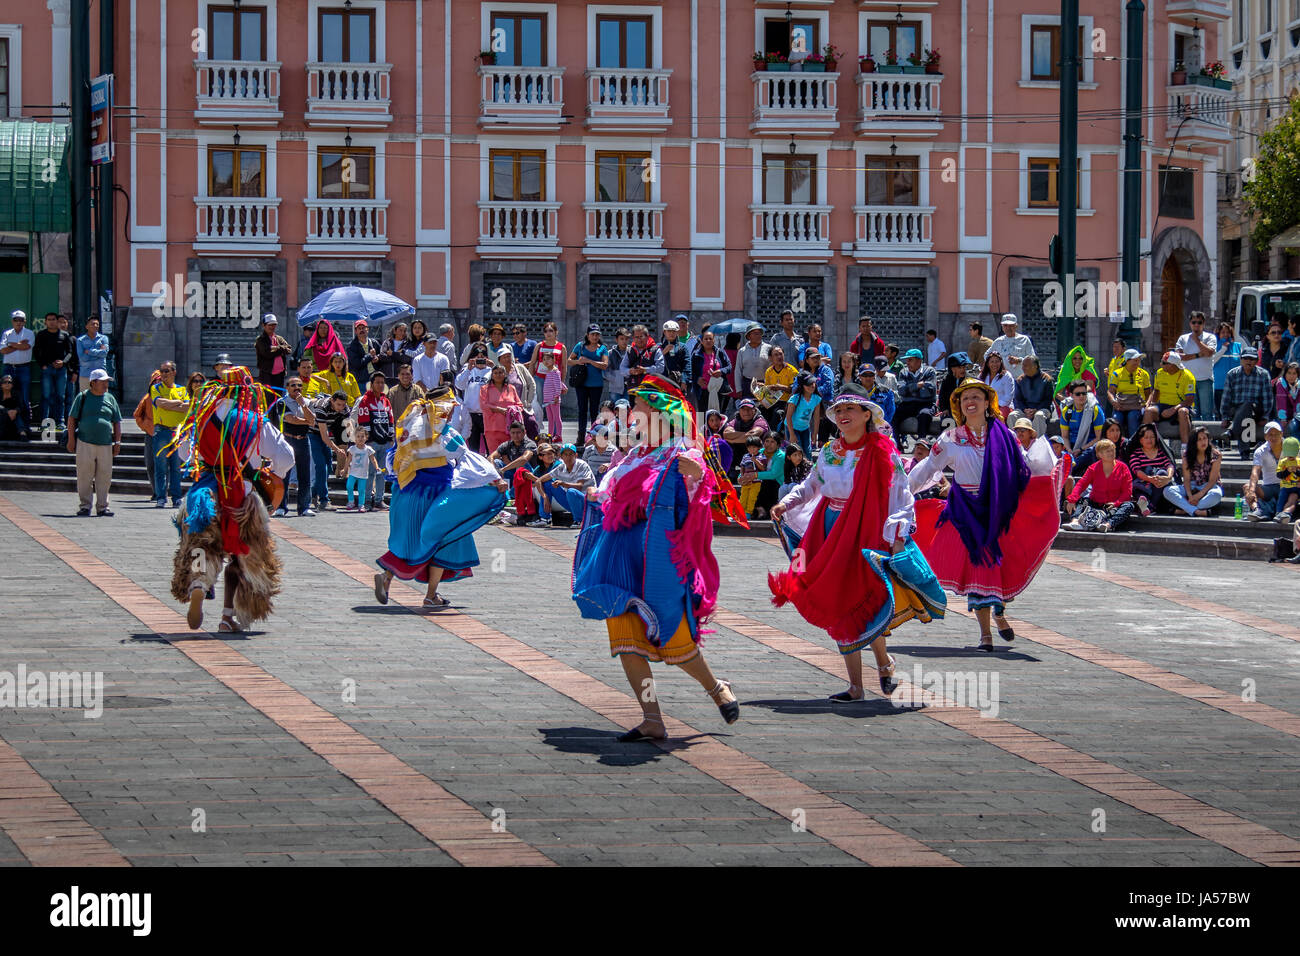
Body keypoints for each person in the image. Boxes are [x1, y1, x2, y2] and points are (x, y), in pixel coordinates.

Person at [571, 373, 740, 742]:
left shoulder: (684, 451)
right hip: (618, 558)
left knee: (674, 636)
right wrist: (591, 493)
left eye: (640, 407)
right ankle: (652, 719)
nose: (633, 413)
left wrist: (699, 477)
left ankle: (716, 688)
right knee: (626, 640)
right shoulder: (634, 454)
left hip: (658, 559)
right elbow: (608, 490)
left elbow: (701, 492)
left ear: (661, 413)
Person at [770, 386, 946, 699]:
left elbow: (900, 493)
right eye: (838, 410)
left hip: (865, 530)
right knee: (838, 602)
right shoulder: (828, 451)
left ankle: (883, 663)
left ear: (867, 414)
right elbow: (812, 484)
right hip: (828, 531)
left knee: (863, 600)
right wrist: (788, 503)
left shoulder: (881, 450)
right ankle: (856, 686)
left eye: (850, 409)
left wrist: (897, 532)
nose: (843, 415)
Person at [907, 378, 1061, 651]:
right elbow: (929, 469)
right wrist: (904, 493)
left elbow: (1024, 467)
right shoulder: (950, 439)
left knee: (998, 568)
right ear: (959, 405)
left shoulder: (1005, 435)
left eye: (976, 396)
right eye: (965, 398)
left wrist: (1045, 475)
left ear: (987, 402)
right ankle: (985, 633)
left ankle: (999, 615)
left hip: (999, 509)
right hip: (966, 511)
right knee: (981, 570)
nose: (971, 402)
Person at [168, 365, 294, 632]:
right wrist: (272, 473)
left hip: (206, 492)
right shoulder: (255, 420)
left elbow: (182, 451)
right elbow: (286, 457)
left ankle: (199, 585)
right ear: (246, 392)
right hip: (243, 497)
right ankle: (228, 616)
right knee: (243, 556)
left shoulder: (201, 417)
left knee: (202, 544)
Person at [373, 387, 509, 609]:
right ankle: (430, 595)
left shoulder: (409, 427)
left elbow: (393, 460)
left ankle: (387, 578)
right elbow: (465, 458)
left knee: (410, 543)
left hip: (405, 494)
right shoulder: (444, 432)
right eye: (450, 408)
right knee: (444, 538)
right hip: (435, 495)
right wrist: (494, 480)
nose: (450, 414)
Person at [66, 368, 121, 516]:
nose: (106, 385)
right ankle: (85, 506)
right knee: (85, 475)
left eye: (107, 382)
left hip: (106, 443)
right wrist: (71, 440)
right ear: (93, 383)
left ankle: (103, 507)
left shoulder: (110, 398)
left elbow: (116, 422)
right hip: (85, 442)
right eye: (103, 382)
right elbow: (72, 419)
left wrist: (118, 442)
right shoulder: (82, 397)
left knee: (104, 476)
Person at [1063, 439, 1135, 533]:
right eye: (1107, 451)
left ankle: (1107, 525)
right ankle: (1076, 522)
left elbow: (1127, 491)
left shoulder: (1123, 468)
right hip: (1095, 503)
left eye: (1113, 450)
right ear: (1099, 454)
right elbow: (1081, 484)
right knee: (1081, 500)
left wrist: (1116, 503)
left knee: (1129, 505)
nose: (1111, 453)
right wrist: (1072, 499)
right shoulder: (1093, 468)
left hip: (1113, 506)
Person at [1219, 348, 1273, 460]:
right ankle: (1244, 453)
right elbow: (1226, 397)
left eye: (1252, 359)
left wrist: (1265, 416)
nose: (1249, 361)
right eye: (1246, 358)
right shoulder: (1232, 374)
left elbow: (1268, 398)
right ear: (1241, 360)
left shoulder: (1263, 374)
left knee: (1248, 405)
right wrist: (1225, 417)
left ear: (1257, 360)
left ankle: (1232, 432)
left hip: (1256, 409)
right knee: (1246, 418)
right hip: (1237, 411)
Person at [150, 361, 190, 508]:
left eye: (167, 371)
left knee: (176, 467)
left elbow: (186, 407)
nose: (164, 374)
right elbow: (160, 404)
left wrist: (171, 404)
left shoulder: (182, 389)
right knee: (160, 466)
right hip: (162, 430)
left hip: (178, 432)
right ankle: (161, 497)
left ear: (174, 372)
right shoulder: (155, 388)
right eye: (162, 371)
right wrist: (177, 403)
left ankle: (176, 497)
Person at [353, 372, 395, 510]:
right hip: (371, 443)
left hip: (385, 442)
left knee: (381, 472)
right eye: (377, 382)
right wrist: (367, 440)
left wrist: (391, 437)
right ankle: (365, 501)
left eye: (382, 382)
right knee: (369, 472)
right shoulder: (365, 400)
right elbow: (363, 422)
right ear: (372, 384)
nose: (380, 385)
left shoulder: (386, 400)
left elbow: (390, 420)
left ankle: (379, 500)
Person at [278, 376, 317, 517]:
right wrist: (307, 421)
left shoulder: (306, 402)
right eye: (293, 385)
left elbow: (313, 421)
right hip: (287, 440)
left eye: (299, 385)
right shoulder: (282, 402)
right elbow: (291, 419)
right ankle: (281, 506)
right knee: (284, 475)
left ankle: (304, 507)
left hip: (303, 440)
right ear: (287, 387)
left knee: (304, 475)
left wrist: (303, 406)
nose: (297, 388)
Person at [1122, 422, 1178, 517]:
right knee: (1140, 493)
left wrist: (1168, 477)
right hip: (1143, 483)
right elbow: (1137, 470)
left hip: (1159, 484)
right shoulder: (1136, 454)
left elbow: (1169, 465)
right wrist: (1149, 478)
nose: (1149, 440)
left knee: (1162, 472)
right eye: (1146, 437)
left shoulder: (1161, 452)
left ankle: (1150, 506)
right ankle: (1144, 504)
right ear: (1141, 440)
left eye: (1152, 437)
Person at [306, 390, 350, 511]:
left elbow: (348, 430)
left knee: (328, 467)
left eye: (343, 405)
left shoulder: (345, 409)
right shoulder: (322, 407)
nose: (341, 408)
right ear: (332, 401)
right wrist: (337, 449)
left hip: (326, 434)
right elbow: (324, 436)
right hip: (313, 434)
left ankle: (312, 495)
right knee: (321, 466)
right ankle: (324, 500)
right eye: (338, 405)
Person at [1164, 426, 1223, 517]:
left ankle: (1185, 510)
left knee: (1217, 494)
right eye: (1199, 439)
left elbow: (1212, 480)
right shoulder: (1186, 455)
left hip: (1208, 487)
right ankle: (1196, 511)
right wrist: (1190, 496)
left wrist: (1198, 495)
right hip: (1191, 486)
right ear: (1194, 442)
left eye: (1205, 438)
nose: (1203, 442)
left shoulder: (1216, 455)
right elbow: (1186, 479)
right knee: (1167, 491)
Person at [1143, 351, 1195, 447]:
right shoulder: (1159, 373)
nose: (1160, 364)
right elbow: (1156, 391)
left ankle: (1185, 448)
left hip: (1181, 405)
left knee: (1183, 412)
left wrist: (1173, 409)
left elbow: (1189, 400)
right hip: (1163, 405)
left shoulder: (1187, 376)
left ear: (1172, 365)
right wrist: (1151, 403)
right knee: (1148, 411)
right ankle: (1149, 446)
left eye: (1163, 363)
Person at [537, 442, 596, 522]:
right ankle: (545, 519)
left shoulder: (582, 465)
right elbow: (539, 480)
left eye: (571, 454)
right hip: (571, 502)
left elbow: (579, 486)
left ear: (576, 455)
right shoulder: (561, 467)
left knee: (571, 492)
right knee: (548, 484)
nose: (568, 457)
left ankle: (579, 520)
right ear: (561, 456)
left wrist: (563, 484)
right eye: (565, 454)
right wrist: (545, 496)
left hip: (585, 502)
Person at [33, 312, 73, 430]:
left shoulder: (65, 335)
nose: (51, 321)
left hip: (61, 370)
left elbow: (70, 352)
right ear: (45, 322)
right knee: (46, 396)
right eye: (49, 319)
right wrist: (43, 365)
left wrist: (63, 362)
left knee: (60, 396)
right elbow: (36, 351)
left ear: (57, 321)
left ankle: (60, 422)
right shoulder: (41, 335)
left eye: (53, 319)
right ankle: (45, 423)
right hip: (47, 369)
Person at [1176, 310, 1218, 419]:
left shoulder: (1210, 337)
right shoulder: (1183, 338)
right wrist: (1199, 355)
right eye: (1194, 322)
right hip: (1188, 381)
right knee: (1193, 413)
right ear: (1190, 323)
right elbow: (1180, 357)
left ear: (1203, 324)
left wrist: (1196, 340)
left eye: (1199, 322)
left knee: (1207, 413)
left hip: (1205, 380)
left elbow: (1209, 353)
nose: (1196, 325)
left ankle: (1207, 436)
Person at [570, 324, 608, 439]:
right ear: (587, 335)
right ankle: (581, 437)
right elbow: (569, 361)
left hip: (596, 384)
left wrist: (590, 361)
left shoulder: (602, 348)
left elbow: (605, 365)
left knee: (594, 411)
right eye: (592, 334)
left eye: (597, 334)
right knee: (582, 410)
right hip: (581, 384)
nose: (595, 337)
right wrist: (579, 361)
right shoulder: (580, 346)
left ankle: (593, 436)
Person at [892, 348, 937, 443]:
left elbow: (928, 392)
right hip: (908, 404)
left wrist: (909, 389)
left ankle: (921, 443)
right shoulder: (903, 372)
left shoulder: (929, 371)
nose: (907, 363)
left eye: (910, 360)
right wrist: (917, 386)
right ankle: (897, 445)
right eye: (907, 360)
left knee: (924, 415)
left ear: (919, 360)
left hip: (926, 404)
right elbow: (901, 391)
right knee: (894, 416)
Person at [479, 361, 523, 457]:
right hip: (492, 429)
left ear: (505, 374)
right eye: (495, 373)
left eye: (500, 372)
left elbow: (520, 405)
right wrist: (499, 409)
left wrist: (513, 410)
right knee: (494, 456)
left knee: (509, 456)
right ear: (492, 375)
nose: (498, 375)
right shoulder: (485, 389)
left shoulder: (511, 388)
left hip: (510, 430)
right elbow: (484, 405)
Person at [1106, 349, 1151, 438]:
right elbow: (1110, 391)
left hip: (1136, 406)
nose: (1138, 362)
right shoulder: (1117, 373)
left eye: (1138, 360)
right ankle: (1115, 445)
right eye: (1135, 360)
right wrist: (1114, 402)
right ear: (1127, 361)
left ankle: (1133, 445)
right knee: (1116, 419)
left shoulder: (1144, 374)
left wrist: (1147, 404)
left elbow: (1149, 393)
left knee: (1132, 417)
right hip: (1120, 406)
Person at [1, 309, 35, 424]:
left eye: (21, 320)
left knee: (25, 396)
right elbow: (3, 350)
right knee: (6, 395)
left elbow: (27, 347)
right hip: (9, 368)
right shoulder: (7, 333)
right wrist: (19, 345)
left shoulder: (29, 333)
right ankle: (6, 421)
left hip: (24, 368)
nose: (18, 322)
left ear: (24, 321)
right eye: (16, 320)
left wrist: (11, 344)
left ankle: (25, 423)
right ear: (12, 321)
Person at [1060, 379, 1105, 466]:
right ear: (1071, 395)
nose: (1081, 396)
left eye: (1084, 393)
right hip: (1071, 447)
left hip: (1088, 448)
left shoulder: (1095, 410)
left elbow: (1098, 437)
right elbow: (1065, 436)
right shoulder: (1067, 411)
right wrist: (1069, 450)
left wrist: (1080, 449)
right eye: (1078, 394)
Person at [687, 328, 732, 414]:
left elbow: (729, 367)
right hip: (702, 391)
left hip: (718, 390)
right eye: (706, 339)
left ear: (714, 340)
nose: (708, 341)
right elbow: (690, 370)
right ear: (702, 341)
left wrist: (721, 371)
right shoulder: (696, 354)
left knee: (717, 415)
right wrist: (697, 379)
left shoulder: (721, 353)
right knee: (701, 417)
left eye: (710, 338)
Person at [756, 345, 797, 432]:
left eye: (780, 354)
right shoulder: (769, 371)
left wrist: (780, 387)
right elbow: (768, 389)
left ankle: (774, 436)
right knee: (760, 410)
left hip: (787, 402)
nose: (779, 357)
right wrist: (762, 387)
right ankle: (763, 432)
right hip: (773, 401)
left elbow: (795, 389)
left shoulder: (791, 370)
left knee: (777, 413)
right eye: (776, 355)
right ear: (770, 358)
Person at [1013, 355, 1056, 436]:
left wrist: (1036, 410)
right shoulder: (1020, 380)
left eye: (1026, 366)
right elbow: (1018, 400)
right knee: (1013, 415)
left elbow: (1048, 400)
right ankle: (1015, 442)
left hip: (1042, 409)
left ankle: (1037, 442)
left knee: (1039, 416)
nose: (1023, 368)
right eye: (1023, 365)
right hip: (1025, 409)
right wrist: (1025, 410)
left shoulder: (1047, 379)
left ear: (1035, 366)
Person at [534, 340, 567, 439]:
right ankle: (550, 435)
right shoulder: (548, 372)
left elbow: (557, 385)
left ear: (554, 360)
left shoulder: (555, 371)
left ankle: (559, 435)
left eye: (548, 359)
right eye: (544, 359)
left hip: (554, 399)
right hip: (547, 400)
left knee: (557, 418)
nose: (546, 361)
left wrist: (557, 396)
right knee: (550, 418)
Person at [785, 371, 822, 457]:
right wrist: (792, 434)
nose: (812, 386)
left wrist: (815, 434)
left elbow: (816, 418)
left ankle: (809, 469)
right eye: (808, 384)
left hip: (805, 428)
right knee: (798, 450)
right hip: (793, 428)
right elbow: (788, 417)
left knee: (808, 452)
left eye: (813, 383)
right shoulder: (795, 398)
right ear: (802, 386)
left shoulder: (816, 399)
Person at [619, 324, 664, 394]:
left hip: (651, 390)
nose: (639, 339)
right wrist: (630, 371)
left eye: (641, 336)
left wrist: (645, 370)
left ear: (647, 337)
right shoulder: (630, 350)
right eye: (636, 337)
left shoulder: (655, 350)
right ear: (633, 338)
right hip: (633, 389)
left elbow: (661, 368)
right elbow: (622, 368)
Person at [988, 314, 1036, 378]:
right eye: (1005, 325)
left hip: (1021, 379)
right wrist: (996, 364)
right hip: (1003, 379)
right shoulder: (998, 341)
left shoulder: (1024, 339)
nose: (1008, 328)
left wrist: (1019, 360)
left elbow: (1033, 359)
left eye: (1011, 326)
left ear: (1016, 326)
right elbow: (987, 356)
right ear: (1002, 327)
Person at [344, 427, 378, 513]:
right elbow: (348, 460)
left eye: (362, 436)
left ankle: (361, 505)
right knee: (349, 486)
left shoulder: (368, 449)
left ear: (366, 438)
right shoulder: (352, 449)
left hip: (363, 474)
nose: (360, 439)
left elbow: (373, 459)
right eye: (358, 436)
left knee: (362, 490)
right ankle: (351, 502)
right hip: (353, 473)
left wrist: (376, 467)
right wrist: (344, 469)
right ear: (355, 438)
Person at [734, 325, 771, 401]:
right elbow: (738, 370)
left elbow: (772, 367)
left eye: (759, 333)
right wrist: (738, 389)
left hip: (764, 384)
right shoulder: (742, 351)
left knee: (764, 409)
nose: (758, 335)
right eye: (755, 333)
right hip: (747, 385)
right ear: (748, 336)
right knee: (748, 408)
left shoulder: (769, 348)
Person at [255, 314, 292, 389]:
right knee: (268, 396)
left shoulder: (279, 338)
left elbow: (289, 349)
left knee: (278, 395)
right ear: (264, 325)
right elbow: (267, 353)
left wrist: (276, 348)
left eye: (274, 325)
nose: (272, 327)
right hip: (267, 374)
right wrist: (281, 349)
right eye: (270, 325)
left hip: (280, 374)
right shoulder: (261, 339)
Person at [1212, 320, 1242, 415]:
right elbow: (1211, 361)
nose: (1226, 334)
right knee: (1220, 413)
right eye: (1223, 332)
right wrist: (1223, 349)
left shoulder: (1237, 346)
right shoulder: (1214, 346)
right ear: (1218, 334)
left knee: (1233, 412)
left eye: (1228, 332)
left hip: (1234, 385)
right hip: (1219, 385)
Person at [855, 364, 896, 428]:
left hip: (881, 428)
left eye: (871, 375)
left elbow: (890, 412)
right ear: (859, 376)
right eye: (865, 375)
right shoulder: (853, 392)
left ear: (875, 376)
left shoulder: (886, 391)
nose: (868, 378)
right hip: (858, 428)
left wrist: (882, 425)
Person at [980, 352, 1016, 422]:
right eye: (992, 362)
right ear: (987, 363)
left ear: (1001, 362)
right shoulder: (982, 376)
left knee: (995, 418)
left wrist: (994, 406)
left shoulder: (1006, 375)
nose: (995, 364)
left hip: (1004, 407)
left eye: (997, 361)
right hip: (985, 406)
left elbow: (1008, 397)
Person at [936, 352, 970, 424]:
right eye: (960, 368)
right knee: (947, 422)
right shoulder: (946, 380)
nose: (963, 370)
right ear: (952, 369)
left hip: (966, 411)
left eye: (964, 367)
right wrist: (944, 409)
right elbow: (942, 397)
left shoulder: (969, 380)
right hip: (949, 411)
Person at [346, 319, 381, 388]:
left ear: (367, 329)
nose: (361, 330)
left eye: (363, 328)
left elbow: (382, 357)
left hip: (375, 380)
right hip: (360, 381)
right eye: (359, 328)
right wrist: (370, 356)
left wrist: (378, 358)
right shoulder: (351, 346)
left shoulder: (374, 343)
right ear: (356, 331)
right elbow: (357, 363)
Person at [1275, 437, 1300, 523]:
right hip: (1286, 486)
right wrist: (1287, 471)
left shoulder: (1299, 461)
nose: (1291, 457)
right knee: (1281, 498)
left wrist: (1296, 471)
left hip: (1297, 487)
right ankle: (1278, 513)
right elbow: (1279, 475)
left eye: (1293, 455)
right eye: (1289, 455)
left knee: (1293, 498)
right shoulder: (1283, 462)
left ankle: (1286, 514)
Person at [0, 374, 31, 441]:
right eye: (5, 382)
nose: (7, 384)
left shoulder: (17, 393)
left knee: (17, 415)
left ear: (12, 384)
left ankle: (22, 433)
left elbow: (21, 406)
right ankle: (22, 433)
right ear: (1, 385)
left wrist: (15, 411)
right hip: (2, 422)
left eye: (9, 382)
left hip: (14, 424)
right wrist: (7, 411)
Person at [603, 327, 629, 407]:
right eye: (622, 339)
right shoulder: (610, 353)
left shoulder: (632, 352)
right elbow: (605, 370)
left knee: (627, 410)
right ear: (616, 340)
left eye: (626, 339)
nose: (624, 341)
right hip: (615, 388)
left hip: (629, 387)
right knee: (616, 409)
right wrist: (614, 379)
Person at [659, 319, 688, 387]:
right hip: (662, 381)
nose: (671, 333)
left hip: (678, 382)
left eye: (674, 331)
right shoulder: (658, 347)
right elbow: (654, 364)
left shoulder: (683, 347)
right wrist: (663, 353)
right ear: (664, 332)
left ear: (677, 332)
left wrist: (684, 381)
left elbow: (687, 366)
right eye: (669, 331)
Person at [1274, 362, 1300, 439]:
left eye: (1294, 373)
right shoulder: (1281, 383)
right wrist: (1283, 419)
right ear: (1285, 373)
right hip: (1284, 415)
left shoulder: (1298, 385)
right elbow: (1281, 402)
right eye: (1289, 373)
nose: (1291, 376)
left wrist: (1296, 417)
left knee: (1295, 425)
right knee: (1292, 427)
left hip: (1297, 415)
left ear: (1298, 375)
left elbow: (1298, 403)